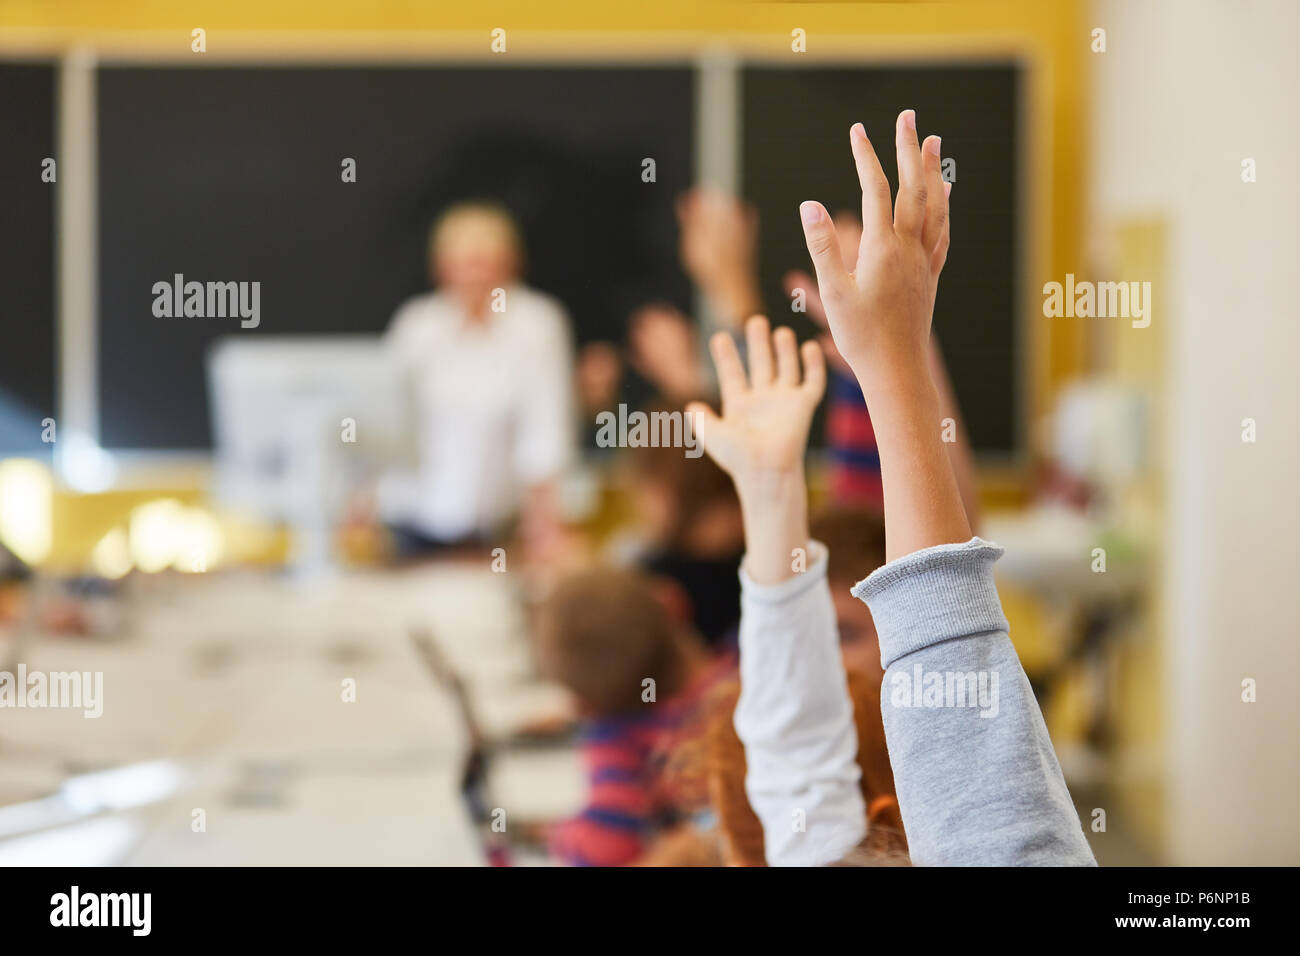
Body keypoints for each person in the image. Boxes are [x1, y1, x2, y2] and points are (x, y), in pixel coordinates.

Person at [685, 108, 1095, 867]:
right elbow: (951, 781)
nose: (838, 665)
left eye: (844, 632)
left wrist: (776, 492)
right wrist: (898, 355)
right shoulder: (855, 811)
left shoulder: (821, 824)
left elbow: (799, 766)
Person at [378, 201, 575, 557]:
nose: (475, 276)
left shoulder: (537, 325)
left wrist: (544, 524)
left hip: (500, 530)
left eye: (486, 263)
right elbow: (384, 421)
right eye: (464, 264)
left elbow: (545, 432)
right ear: (441, 269)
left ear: (511, 265)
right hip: (411, 526)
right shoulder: (417, 325)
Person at [533, 567, 715, 866]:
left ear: (583, 705)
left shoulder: (618, 742)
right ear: (672, 603)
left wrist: (565, 836)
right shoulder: (735, 684)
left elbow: (606, 851)